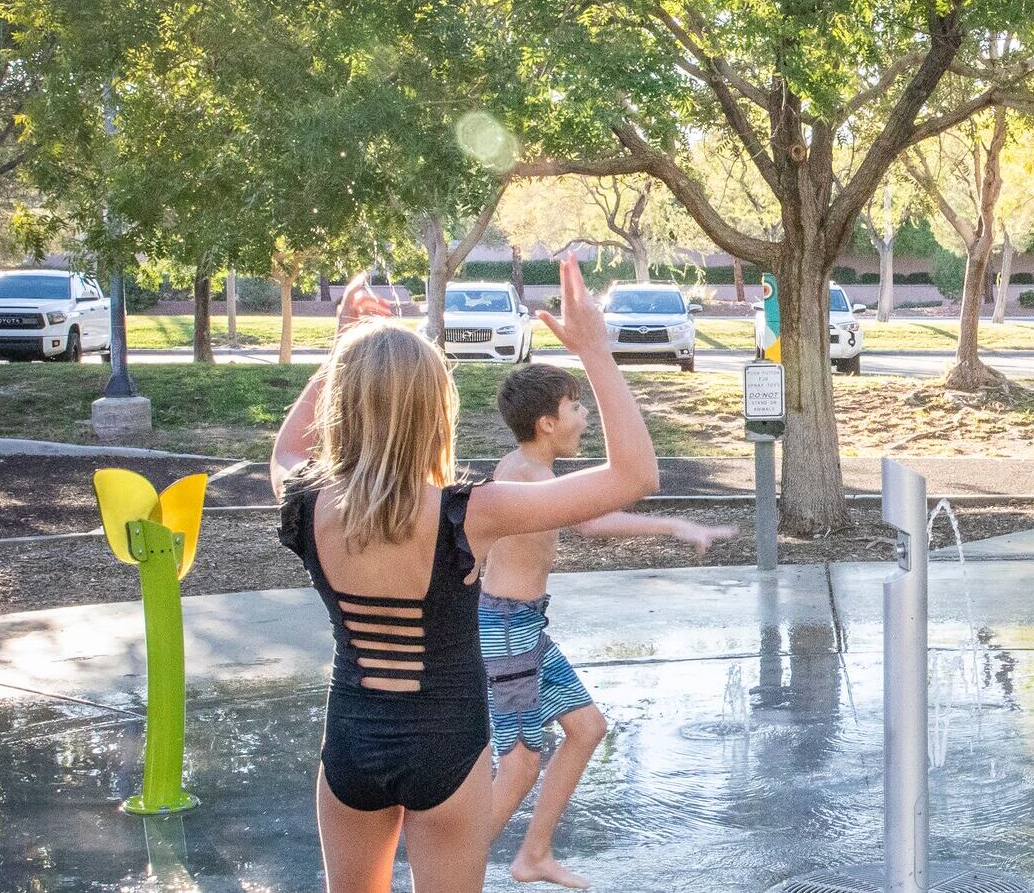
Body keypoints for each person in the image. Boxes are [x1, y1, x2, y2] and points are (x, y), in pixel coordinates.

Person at [271, 254, 658, 893]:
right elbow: (635, 476)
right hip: (446, 746)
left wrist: (340, 354)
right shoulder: (467, 511)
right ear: (435, 408)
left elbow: (287, 452)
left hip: (351, 745)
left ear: (346, 403)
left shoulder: (310, 503)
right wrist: (594, 350)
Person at [482, 363, 735, 888]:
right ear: (547, 423)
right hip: (505, 631)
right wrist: (673, 524)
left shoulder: (532, 471)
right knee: (522, 763)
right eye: (576, 407)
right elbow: (593, 521)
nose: (585, 418)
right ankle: (446, 873)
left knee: (587, 728)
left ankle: (534, 856)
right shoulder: (522, 475)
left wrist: (672, 524)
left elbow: (588, 518)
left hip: (523, 626)